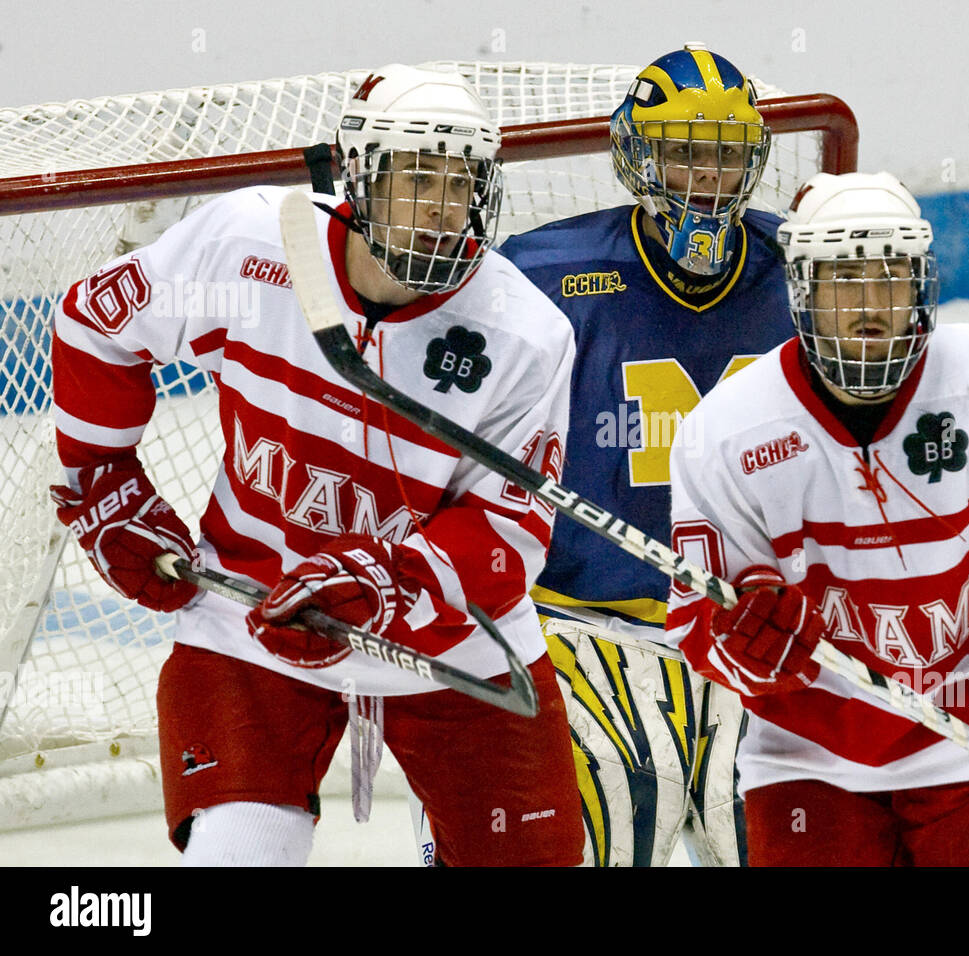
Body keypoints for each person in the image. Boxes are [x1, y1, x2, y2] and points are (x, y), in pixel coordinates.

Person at [48, 63, 584, 866]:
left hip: (451, 651)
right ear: (359, 174)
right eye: (418, 177)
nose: (442, 208)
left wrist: (382, 582)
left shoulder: (521, 336)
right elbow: (97, 323)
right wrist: (105, 482)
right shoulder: (249, 251)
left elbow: (508, 535)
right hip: (251, 621)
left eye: (461, 181)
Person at [664, 171, 969, 866]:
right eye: (844, 278)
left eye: (890, 278)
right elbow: (700, 621)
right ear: (801, 290)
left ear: (920, 285)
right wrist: (747, 647)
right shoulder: (727, 432)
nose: (871, 305)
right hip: (814, 761)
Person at [497, 44, 788, 866]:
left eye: (726, 156)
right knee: (621, 802)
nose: (705, 177)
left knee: (762, 822)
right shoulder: (544, 274)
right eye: (684, 151)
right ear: (636, 153)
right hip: (584, 620)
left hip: (747, 620)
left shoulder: (799, 273)